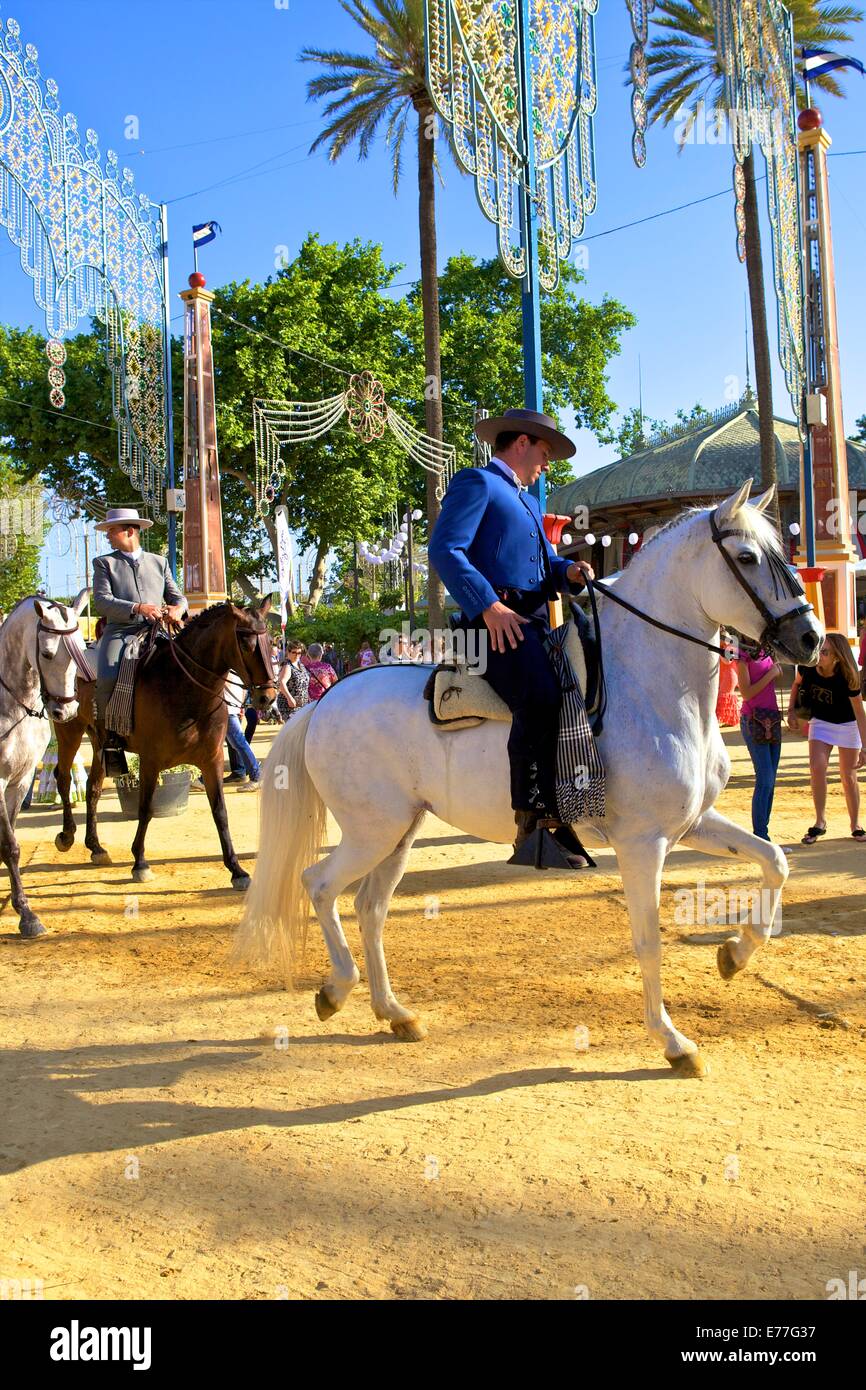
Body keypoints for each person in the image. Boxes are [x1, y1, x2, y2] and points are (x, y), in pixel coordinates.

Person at [428, 407, 594, 870]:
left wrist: (570, 572)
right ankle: (532, 817)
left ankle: (566, 806)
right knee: (540, 694)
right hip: (490, 625)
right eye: (545, 451)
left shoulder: (528, 501)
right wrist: (487, 605)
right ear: (521, 443)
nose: (547, 462)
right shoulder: (477, 482)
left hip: (531, 620)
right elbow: (444, 549)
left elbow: (543, 569)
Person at [92, 506, 187, 773]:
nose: (108, 536)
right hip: (120, 633)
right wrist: (138, 608)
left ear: (130, 531)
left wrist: (178, 609)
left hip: (157, 632)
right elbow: (102, 601)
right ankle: (109, 740)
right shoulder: (104, 563)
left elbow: (177, 597)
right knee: (107, 676)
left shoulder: (160, 562)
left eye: (111, 531)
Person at [788, 632, 866, 844]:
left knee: (848, 776)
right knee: (816, 767)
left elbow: (860, 712)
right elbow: (796, 684)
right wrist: (791, 711)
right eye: (818, 650)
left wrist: (865, 747)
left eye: (824, 652)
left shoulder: (848, 676)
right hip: (821, 722)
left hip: (848, 725)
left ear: (837, 657)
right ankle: (820, 822)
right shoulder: (808, 667)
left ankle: (855, 824)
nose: (818, 655)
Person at [736, 638, 783, 842]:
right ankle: (761, 835)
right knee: (765, 778)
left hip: (771, 719)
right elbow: (746, 693)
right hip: (753, 718)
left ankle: (763, 832)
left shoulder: (767, 650)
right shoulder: (741, 655)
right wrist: (771, 674)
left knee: (770, 779)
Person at [277, 640, 310, 721]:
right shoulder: (287, 666)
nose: (297, 655)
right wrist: (289, 698)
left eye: (299, 653)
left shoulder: (301, 665)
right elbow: (281, 683)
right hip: (289, 706)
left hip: (302, 705)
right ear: (288, 652)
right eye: (294, 652)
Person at [715, 632, 741, 727]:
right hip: (723, 674)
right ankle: (731, 719)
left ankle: (719, 719)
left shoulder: (731, 647)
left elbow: (727, 661)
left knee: (724, 695)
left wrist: (718, 651)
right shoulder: (722, 646)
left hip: (729, 675)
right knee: (726, 696)